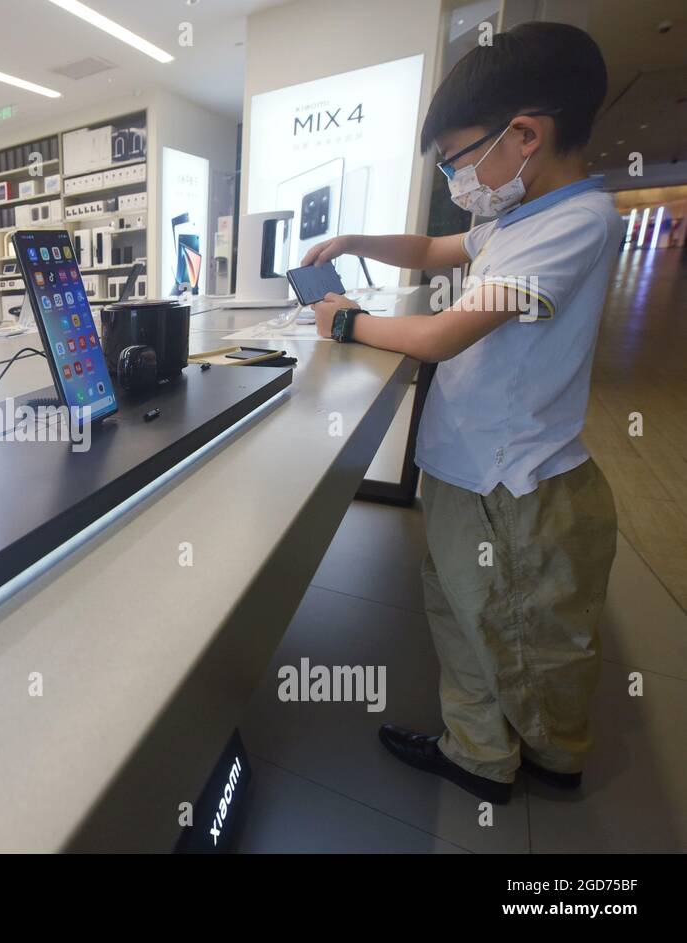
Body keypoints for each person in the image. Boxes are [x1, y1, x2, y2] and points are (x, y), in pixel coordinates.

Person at [305, 22, 620, 805]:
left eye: (456, 157)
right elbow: (430, 249)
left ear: (524, 135)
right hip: (471, 467)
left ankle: (539, 759)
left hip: (512, 480)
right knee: (462, 610)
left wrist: (346, 321)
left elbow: (445, 334)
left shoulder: (577, 223)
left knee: (518, 629)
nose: (453, 178)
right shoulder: (515, 219)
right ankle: (480, 748)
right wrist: (356, 238)